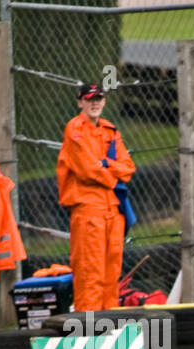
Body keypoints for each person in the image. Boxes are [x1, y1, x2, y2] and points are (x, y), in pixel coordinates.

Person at [57, 81, 136, 311]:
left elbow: (128, 168)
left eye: (98, 99)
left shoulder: (110, 130)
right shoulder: (74, 129)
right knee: (90, 273)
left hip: (113, 209)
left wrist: (104, 164)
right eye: (89, 99)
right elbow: (86, 169)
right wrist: (111, 174)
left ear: (104, 101)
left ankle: (108, 327)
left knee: (111, 273)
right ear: (80, 102)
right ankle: (88, 329)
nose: (95, 103)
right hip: (88, 209)